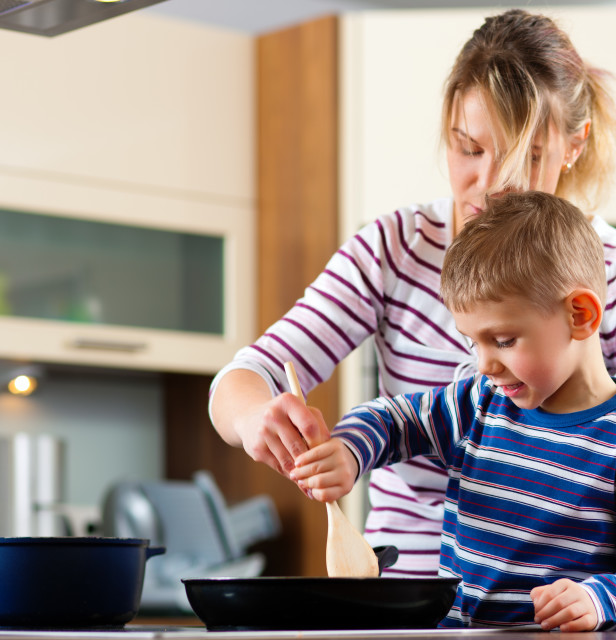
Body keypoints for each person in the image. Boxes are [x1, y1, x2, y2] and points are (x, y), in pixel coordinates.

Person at [208, 8, 616, 577]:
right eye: (468, 149)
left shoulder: (604, 273)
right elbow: (247, 378)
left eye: (525, 157)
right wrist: (258, 420)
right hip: (407, 595)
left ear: (575, 144)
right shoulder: (395, 246)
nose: (490, 184)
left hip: (552, 608)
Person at [290, 191, 616, 630]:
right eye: (472, 342)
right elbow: (393, 419)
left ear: (580, 314)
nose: (484, 364)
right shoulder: (477, 402)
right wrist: (349, 451)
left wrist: (598, 599)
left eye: (502, 340)